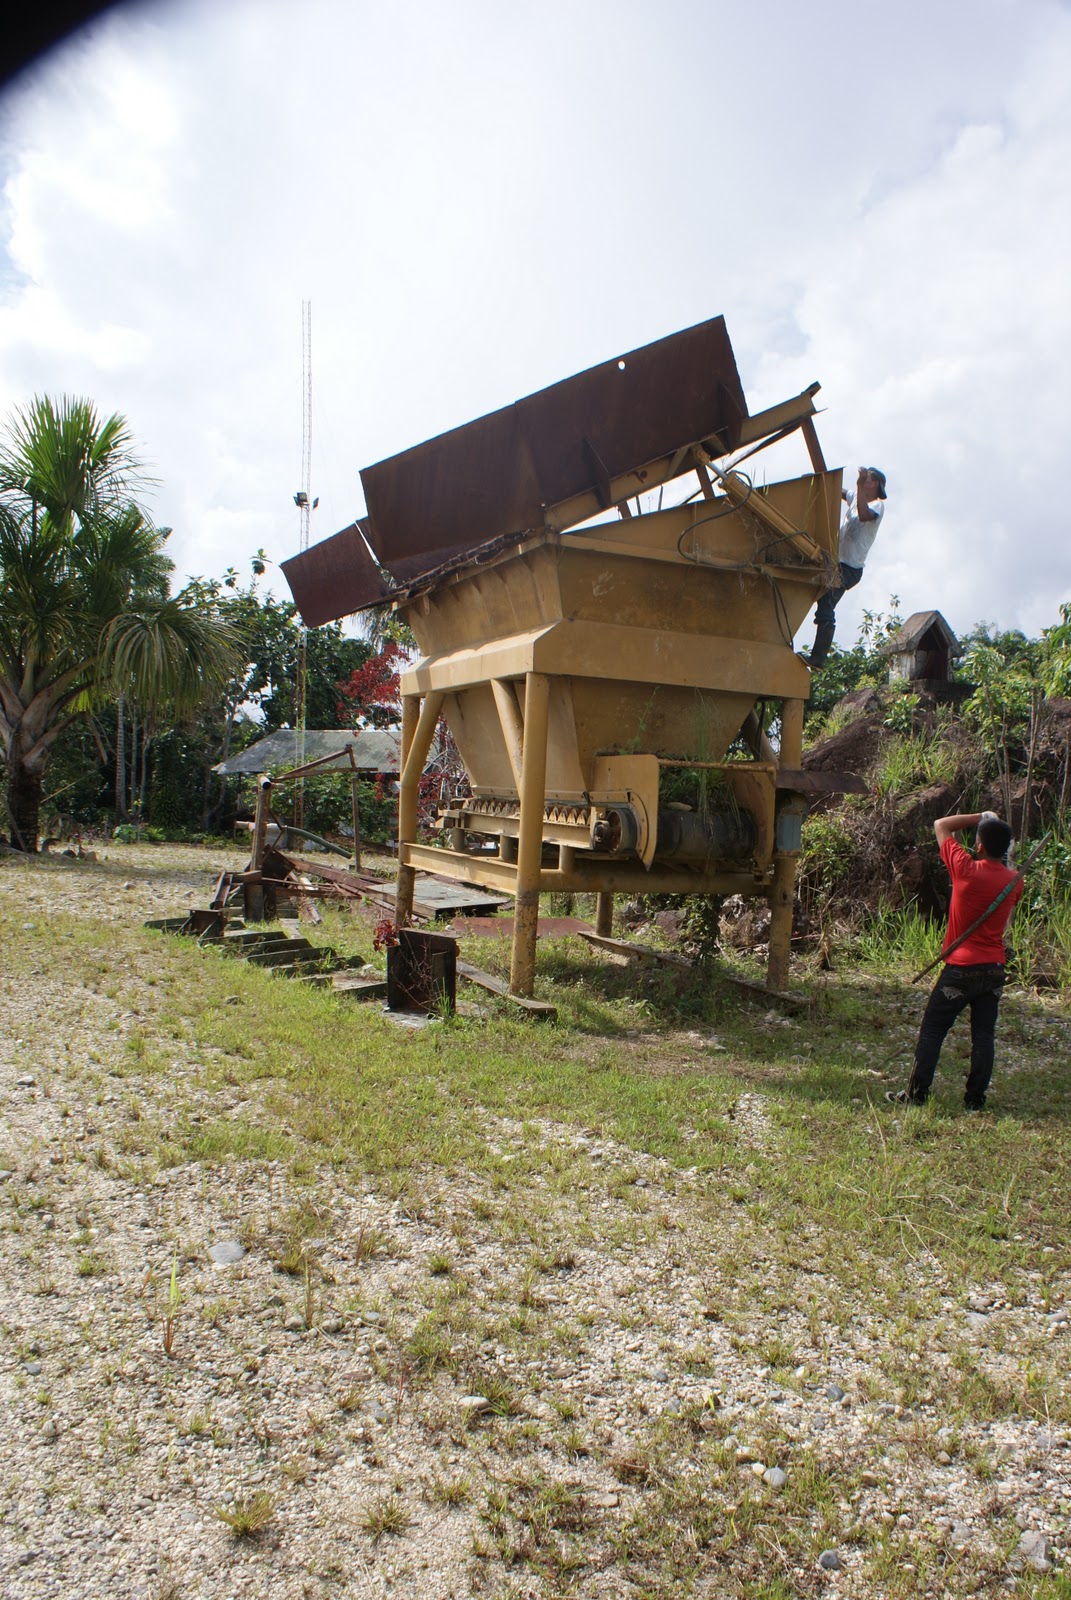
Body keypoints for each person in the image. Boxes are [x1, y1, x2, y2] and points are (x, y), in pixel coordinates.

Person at [888, 811, 1022, 1111]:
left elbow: (941, 824)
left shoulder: (964, 869)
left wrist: (981, 816)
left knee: (933, 1030)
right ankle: (975, 1100)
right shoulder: (1015, 882)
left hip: (961, 967)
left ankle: (917, 1094)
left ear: (980, 846)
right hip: (994, 969)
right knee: (984, 1035)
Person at [805, 466, 887, 668]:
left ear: (874, 483)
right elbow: (840, 492)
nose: (860, 482)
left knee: (826, 607)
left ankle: (817, 659)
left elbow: (863, 514)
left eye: (865, 479)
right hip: (836, 562)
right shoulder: (855, 497)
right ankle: (816, 657)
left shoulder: (877, 506)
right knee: (820, 600)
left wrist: (858, 486)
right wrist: (816, 480)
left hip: (849, 569)